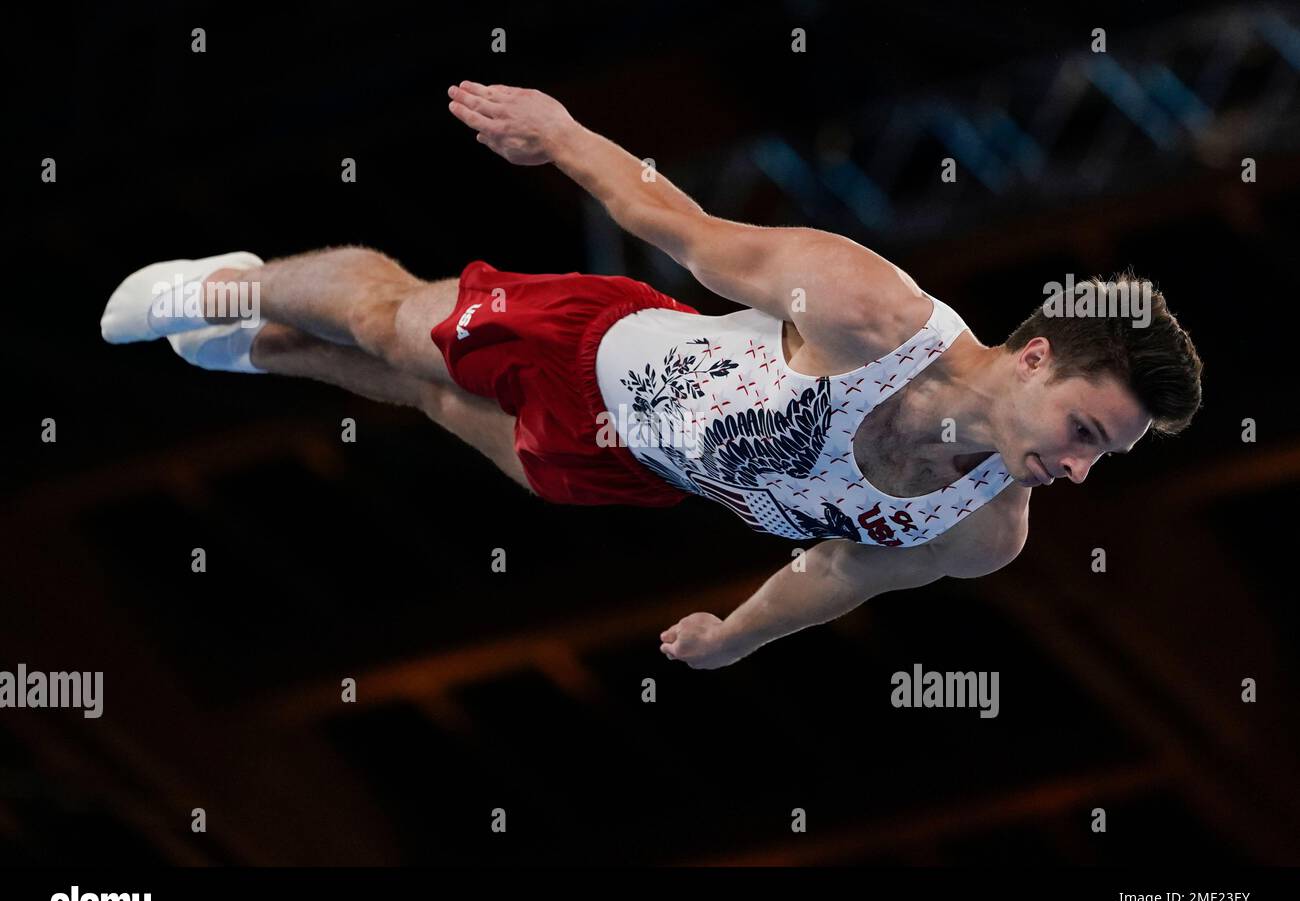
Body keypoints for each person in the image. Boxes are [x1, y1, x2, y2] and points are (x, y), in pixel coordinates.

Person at [99, 82, 1203, 670]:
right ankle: (235, 290)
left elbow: (847, 572)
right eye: (1084, 432)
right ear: (1036, 355)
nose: (1074, 468)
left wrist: (737, 632)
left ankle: (256, 344)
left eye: (1096, 455)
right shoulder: (872, 313)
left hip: (629, 464)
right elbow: (675, 224)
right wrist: (565, 133)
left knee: (422, 398)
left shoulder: (982, 528)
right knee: (393, 327)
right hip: (598, 343)